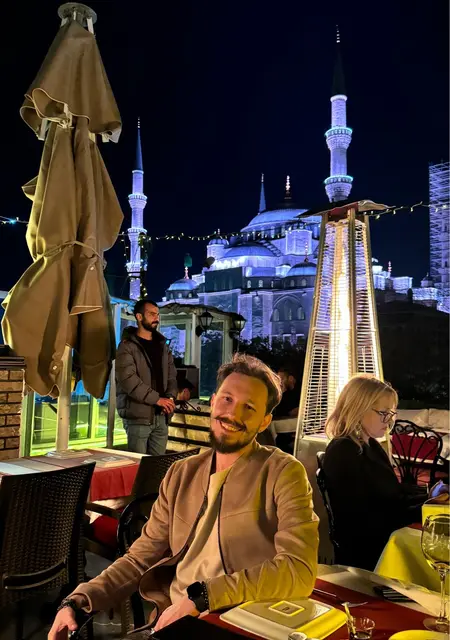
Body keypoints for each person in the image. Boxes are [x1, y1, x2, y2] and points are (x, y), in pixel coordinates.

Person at [49, 354, 319, 639]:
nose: (232, 414)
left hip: (237, 621)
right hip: (171, 620)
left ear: (264, 422)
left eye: (249, 407)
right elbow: (140, 558)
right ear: (213, 401)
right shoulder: (182, 472)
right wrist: (79, 600)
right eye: (227, 399)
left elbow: (299, 570)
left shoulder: (283, 472)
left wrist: (203, 598)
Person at [321, 374, 431, 570]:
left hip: (385, 535)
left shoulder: (370, 445)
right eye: (383, 413)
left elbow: (393, 493)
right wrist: (425, 507)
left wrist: (430, 494)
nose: (389, 421)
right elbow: (367, 518)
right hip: (370, 552)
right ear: (358, 409)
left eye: (391, 414)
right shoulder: (343, 452)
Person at [116, 298, 177, 455]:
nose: (156, 317)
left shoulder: (163, 346)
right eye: (151, 314)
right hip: (138, 417)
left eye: (157, 314)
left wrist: (170, 398)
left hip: (162, 416)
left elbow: (172, 375)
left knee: (157, 467)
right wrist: (157, 399)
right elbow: (128, 380)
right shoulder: (127, 346)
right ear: (139, 316)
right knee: (138, 466)